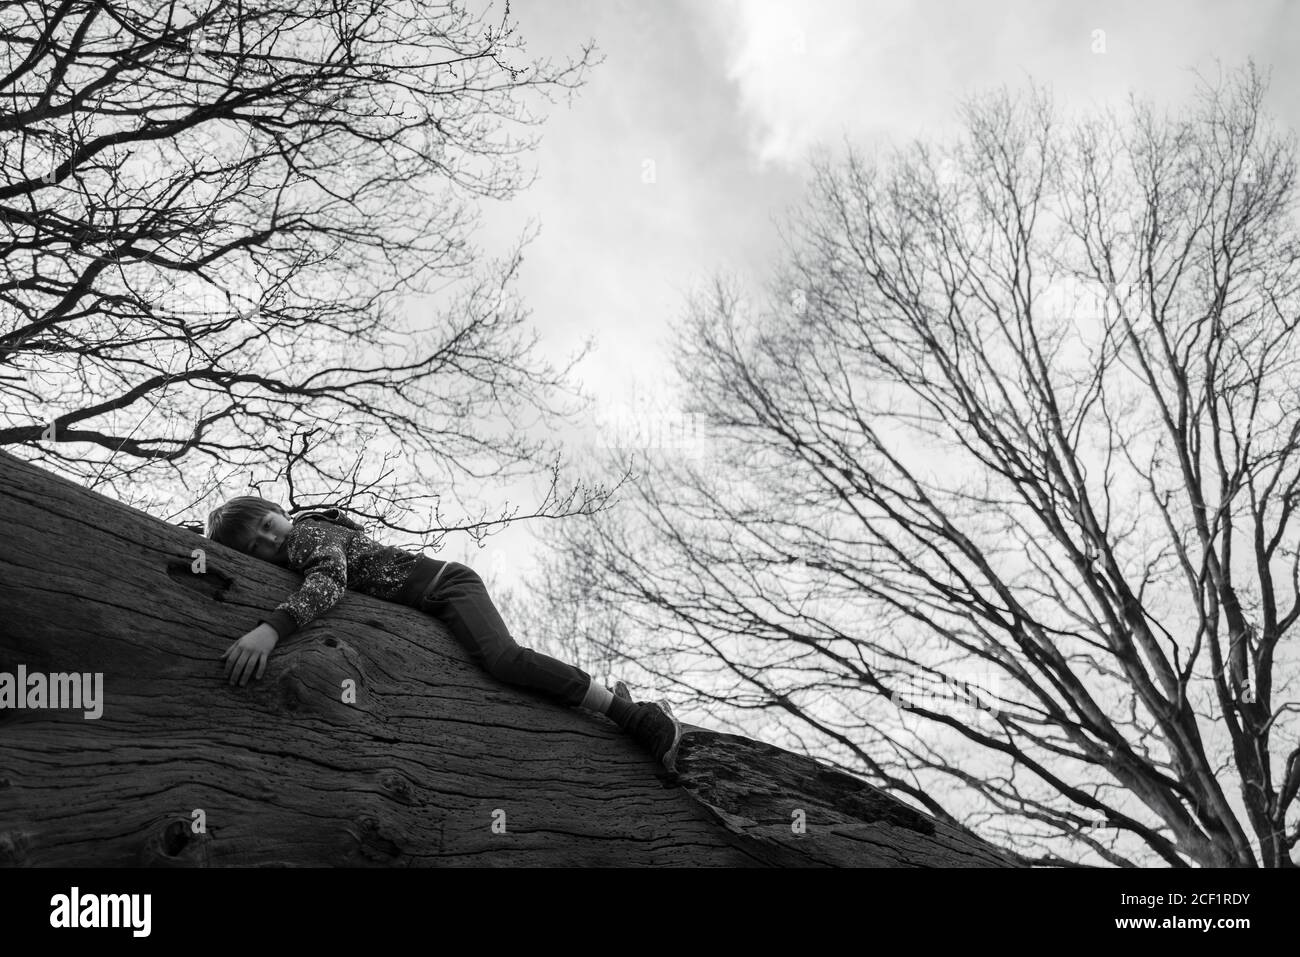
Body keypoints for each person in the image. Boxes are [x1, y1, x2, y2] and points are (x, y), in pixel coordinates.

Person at [205, 496, 682, 771]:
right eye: (258, 547)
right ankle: (609, 698)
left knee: (503, 659)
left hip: (448, 586)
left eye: (268, 524)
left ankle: (632, 714)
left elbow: (330, 578)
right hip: (433, 604)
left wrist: (270, 630)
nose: (272, 540)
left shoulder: (308, 532)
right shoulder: (303, 544)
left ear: (278, 510)